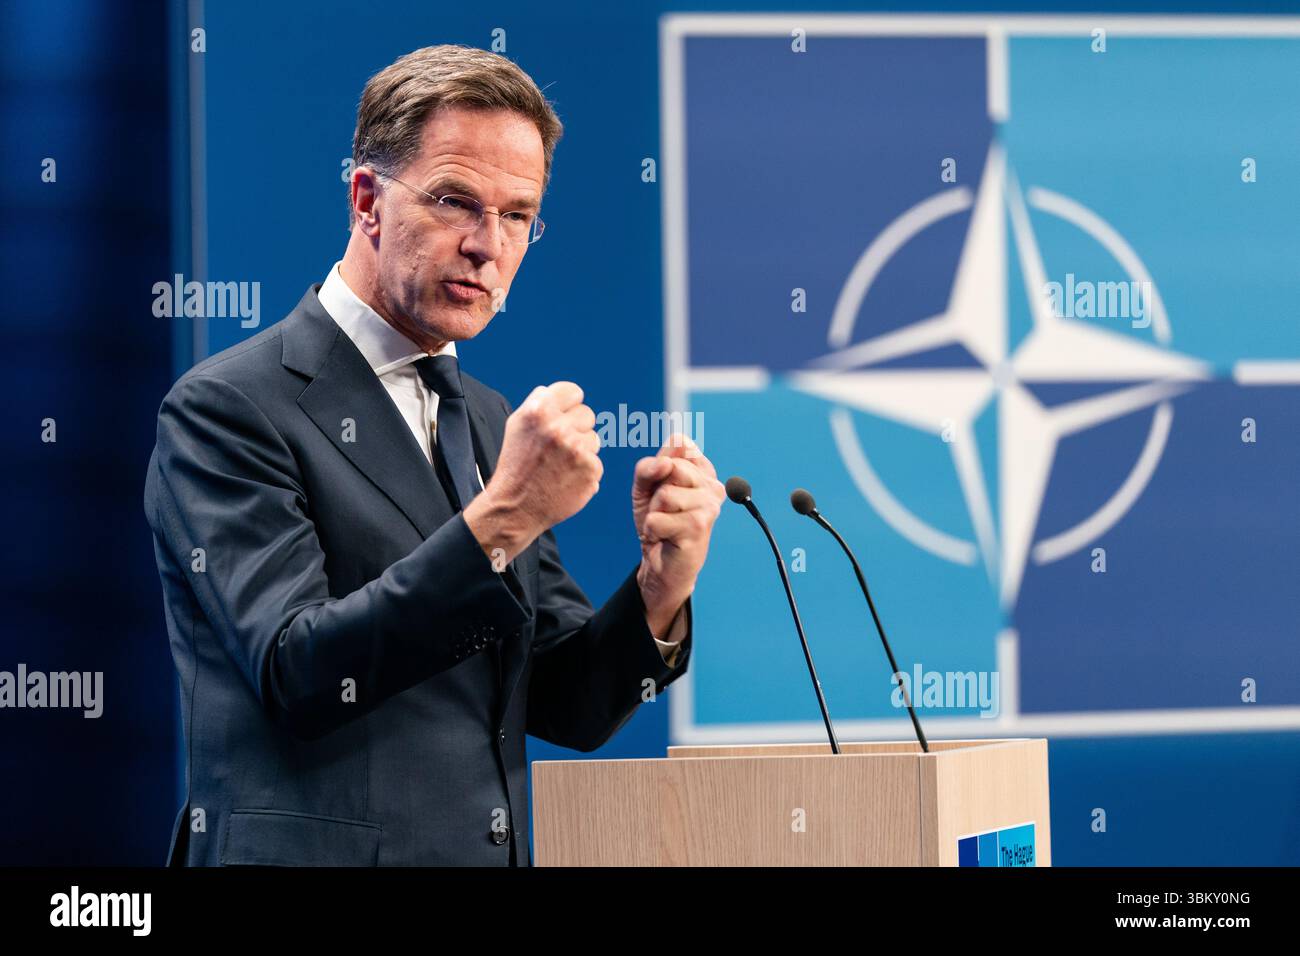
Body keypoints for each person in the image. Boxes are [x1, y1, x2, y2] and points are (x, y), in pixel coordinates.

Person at [143, 44, 724, 866]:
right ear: (366, 199)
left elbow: (568, 704)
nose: (488, 245)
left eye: (517, 214)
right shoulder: (229, 408)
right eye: (457, 202)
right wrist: (507, 515)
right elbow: (297, 671)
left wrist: (660, 593)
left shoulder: (487, 422)